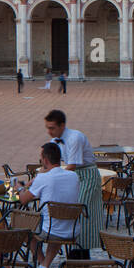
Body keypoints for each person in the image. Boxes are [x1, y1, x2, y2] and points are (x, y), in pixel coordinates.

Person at [43, 109, 101, 256]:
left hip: (86, 175)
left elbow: (72, 166)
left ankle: (81, 254)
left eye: (52, 128)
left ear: (62, 126)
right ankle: (73, 252)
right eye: (47, 128)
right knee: (70, 211)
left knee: (82, 212)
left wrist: (51, 178)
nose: (49, 131)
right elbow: (52, 165)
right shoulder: (54, 141)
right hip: (71, 175)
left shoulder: (75, 137)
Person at [17, 142, 80, 268]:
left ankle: (41, 263)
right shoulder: (74, 176)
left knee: (23, 226)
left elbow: (23, 200)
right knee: (55, 224)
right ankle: (44, 266)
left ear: (45, 160)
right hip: (71, 229)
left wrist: (19, 187)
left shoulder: (43, 178)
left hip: (51, 230)